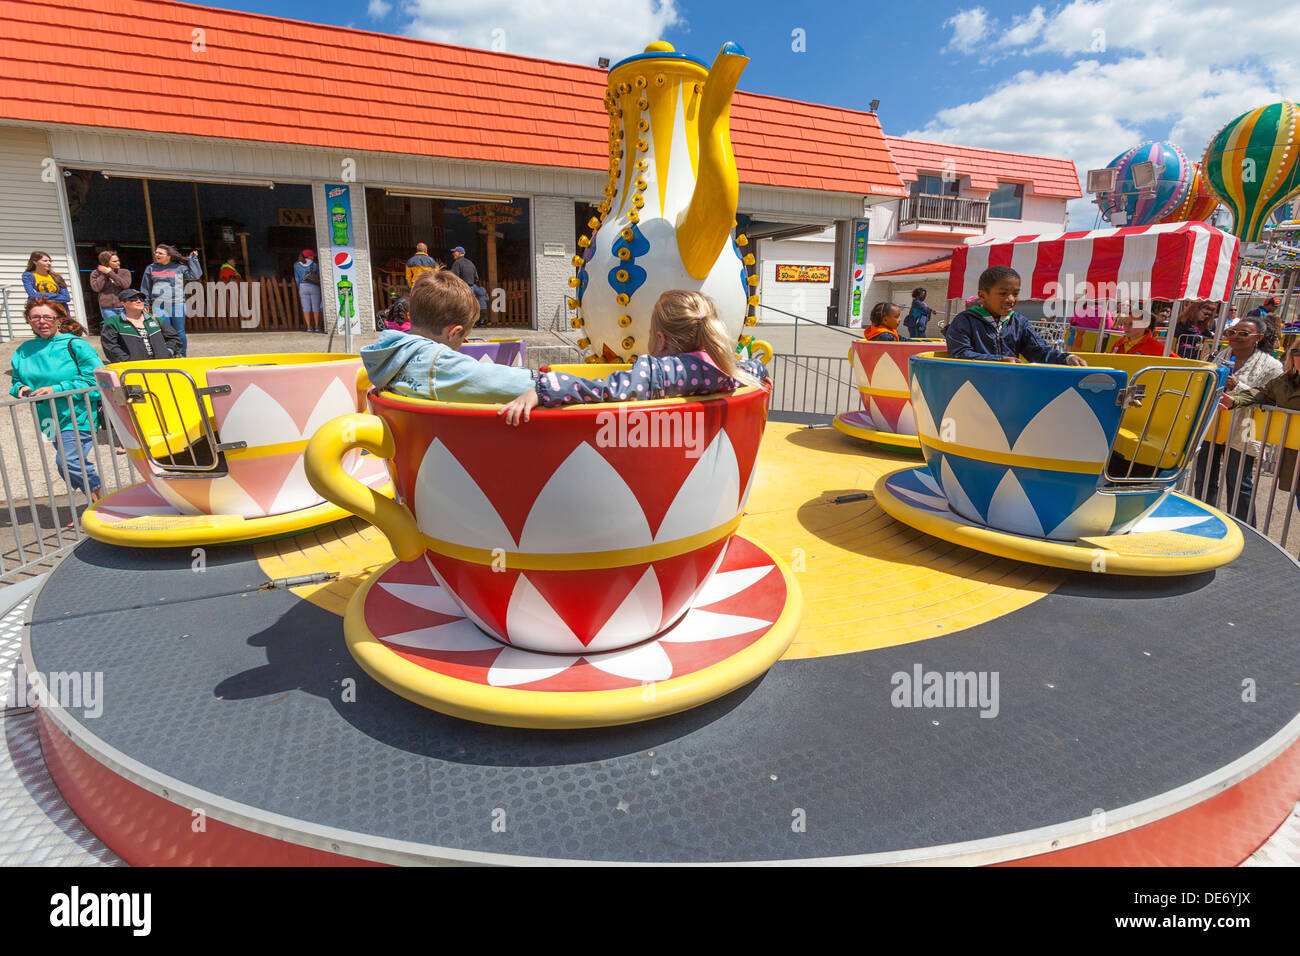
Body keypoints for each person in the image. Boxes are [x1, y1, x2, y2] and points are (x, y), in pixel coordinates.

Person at [500, 290, 767, 425]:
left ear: (661, 341)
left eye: (651, 332)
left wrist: (546, 387)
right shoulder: (727, 369)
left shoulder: (658, 373)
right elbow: (754, 368)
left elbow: (606, 391)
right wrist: (759, 369)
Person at [361, 270, 535, 403]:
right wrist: (553, 381)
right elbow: (500, 380)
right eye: (462, 338)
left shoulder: (390, 356)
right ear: (453, 332)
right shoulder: (437, 364)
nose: (461, 346)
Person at [10, 297, 104, 511]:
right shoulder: (23, 350)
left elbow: (96, 379)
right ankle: (97, 503)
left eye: (47, 317)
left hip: (77, 414)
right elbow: (16, 382)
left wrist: (56, 389)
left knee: (69, 462)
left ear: (58, 319)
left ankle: (100, 503)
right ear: (28, 320)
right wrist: (20, 389)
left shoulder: (74, 344)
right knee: (66, 467)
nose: (41, 321)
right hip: (47, 418)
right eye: (35, 317)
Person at [1193, 315, 1283, 521]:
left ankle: (1246, 528)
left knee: (1238, 481)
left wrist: (1238, 387)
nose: (1235, 337)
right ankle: (1203, 519)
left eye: (1243, 334)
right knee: (1204, 477)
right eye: (1231, 332)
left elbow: (1270, 398)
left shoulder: (1272, 366)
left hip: (1245, 427)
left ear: (1258, 338)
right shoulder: (1218, 357)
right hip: (1214, 424)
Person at [944, 266, 1087, 366]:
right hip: (975, 386)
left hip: (1011, 387)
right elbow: (960, 353)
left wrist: (1066, 358)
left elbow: (1039, 351)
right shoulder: (965, 321)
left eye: (1016, 294)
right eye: (1003, 293)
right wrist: (999, 360)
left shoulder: (1019, 322)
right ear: (982, 295)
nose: (1011, 299)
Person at [1224, 344, 1300, 512]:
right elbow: (1263, 393)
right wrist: (1235, 400)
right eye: (1297, 352)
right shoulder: (1285, 380)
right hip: (1294, 458)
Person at [140, 243, 202, 356]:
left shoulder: (179, 267)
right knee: (163, 331)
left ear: (168, 256)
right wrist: (145, 303)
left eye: (160, 253)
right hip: (159, 305)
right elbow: (145, 287)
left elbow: (195, 275)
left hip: (177, 304)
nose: (156, 254)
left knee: (179, 331)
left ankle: (182, 354)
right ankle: (167, 354)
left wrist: (194, 259)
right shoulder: (151, 268)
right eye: (156, 252)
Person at [99, 289, 183, 363]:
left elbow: (174, 338)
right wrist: (127, 361)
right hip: (132, 371)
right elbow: (110, 348)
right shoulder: (112, 323)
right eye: (133, 299)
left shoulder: (156, 319)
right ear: (123, 303)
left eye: (141, 299)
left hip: (161, 367)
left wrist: (168, 352)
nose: (138, 301)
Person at [88, 250, 131, 326]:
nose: (118, 263)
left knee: (125, 327)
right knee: (113, 328)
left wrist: (110, 273)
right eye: (114, 261)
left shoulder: (124, 272)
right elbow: (96, 288)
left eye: (118, 260)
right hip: (107, 307)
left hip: (123, 306)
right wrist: (104, 274)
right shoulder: (96, 273)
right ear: (106, 262)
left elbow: (125, 285)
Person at [293, 250, 323, 333]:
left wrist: (300, 287)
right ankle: (317, 326)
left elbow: (297, 279)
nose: (313, 257)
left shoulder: (296, 266)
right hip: (314, 286)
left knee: (306, 308)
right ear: (309, 256)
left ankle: (309, 327)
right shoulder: (315, 265)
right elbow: (318, 276)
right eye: (312, 256)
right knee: (315, 307)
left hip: (303, 287)